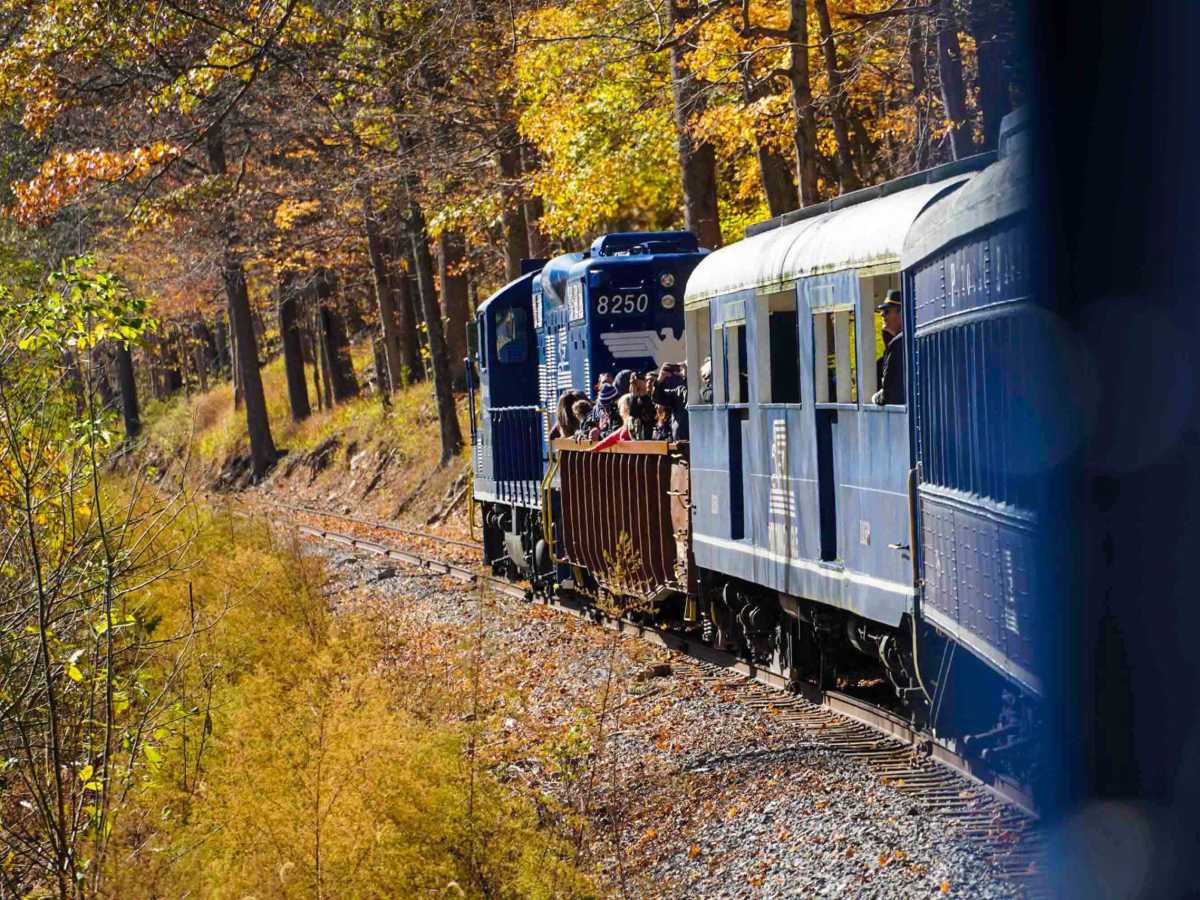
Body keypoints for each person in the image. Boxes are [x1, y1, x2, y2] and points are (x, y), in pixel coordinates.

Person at [872, 290, 905, 406]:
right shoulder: (898, 342)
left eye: (886, 311)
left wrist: (876, 398)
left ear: (901, 313)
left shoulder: (896, 344)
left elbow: (889, 394)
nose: (882, 315)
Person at [652, 361, 689, 441]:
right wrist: (659, 381)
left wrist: (687, 379)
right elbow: (659, 399)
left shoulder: (701, 390)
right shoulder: (679, 391)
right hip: (680, 442)